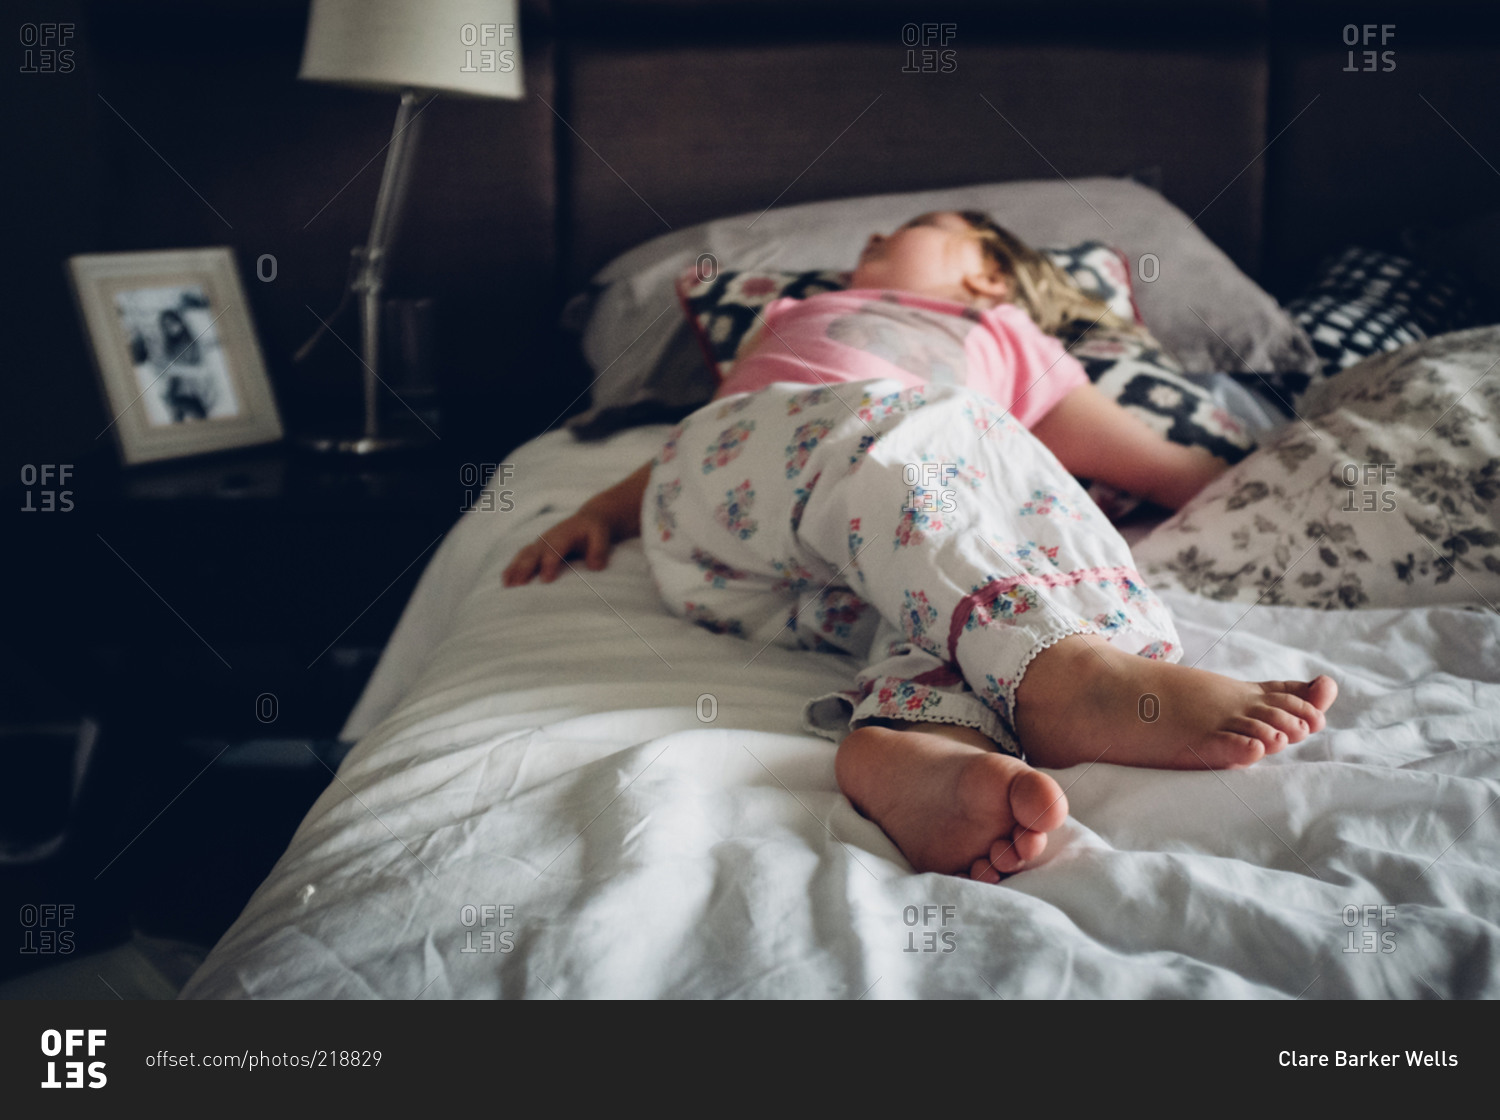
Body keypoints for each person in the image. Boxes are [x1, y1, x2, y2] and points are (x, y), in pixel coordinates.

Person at [505, 211, 1338, 883]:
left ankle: (920, 745)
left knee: (1023, 507)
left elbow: (1162, 468)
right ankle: (1063, 672)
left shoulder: (1004, 333)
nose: (869, 236)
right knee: (945, 429)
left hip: (842, 580)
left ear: (986, 273)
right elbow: (711, 446)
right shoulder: (792, 320)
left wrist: (1325, 480)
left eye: (914, 224)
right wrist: (603, 510)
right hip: (731, 512)